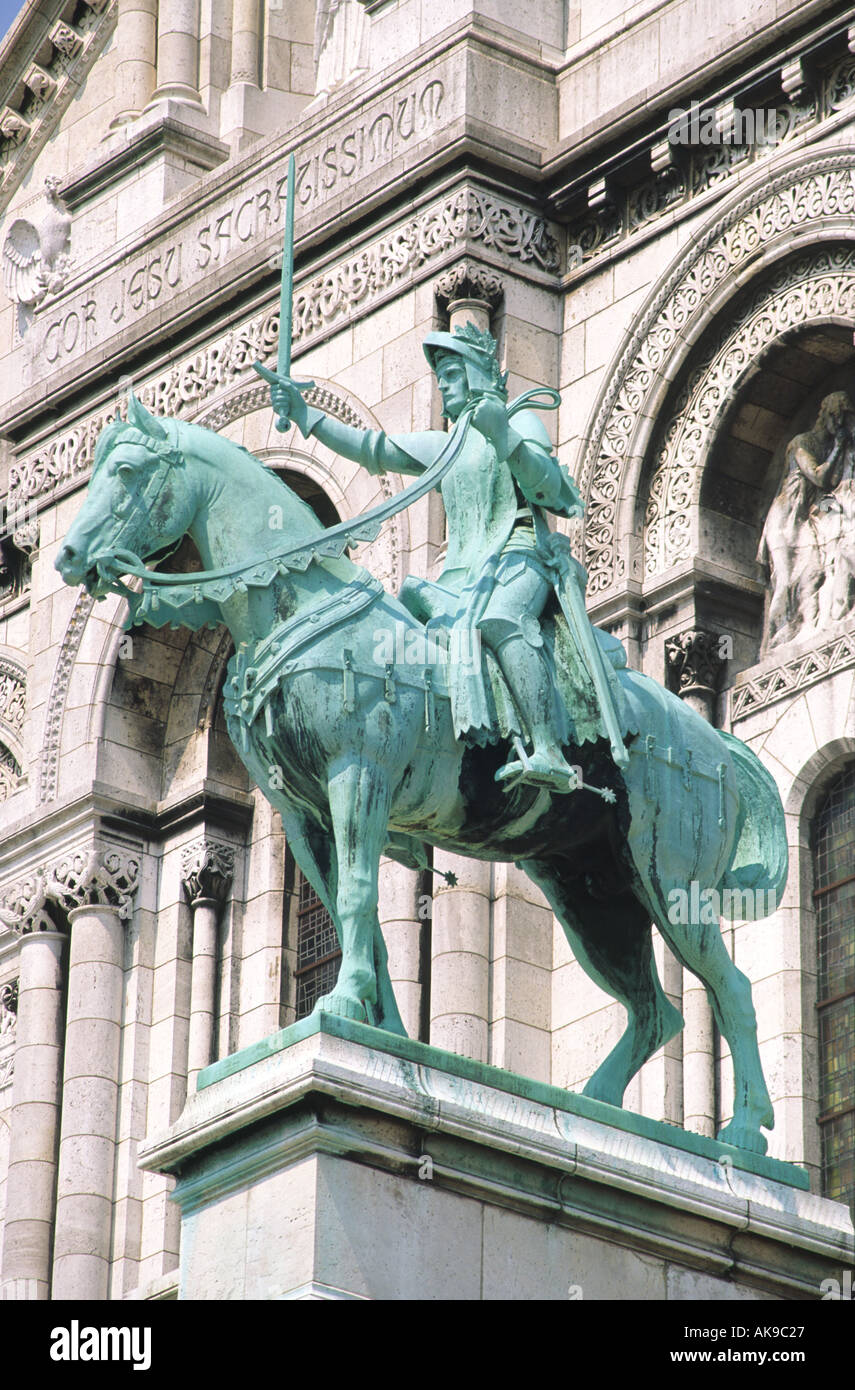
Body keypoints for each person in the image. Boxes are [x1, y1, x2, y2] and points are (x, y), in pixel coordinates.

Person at [269, 322, 592, 791]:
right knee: (400, 621)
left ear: (478, 374)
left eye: (451, 372)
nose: (441, 382)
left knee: (501, 620)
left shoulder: (521, 421)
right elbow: (372, 449)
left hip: (520, 557)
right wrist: (306, 416)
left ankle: (549, 750)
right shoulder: (446, 447)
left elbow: (556, 492)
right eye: (439, 374)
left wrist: (504, 436)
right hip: (462, 575)